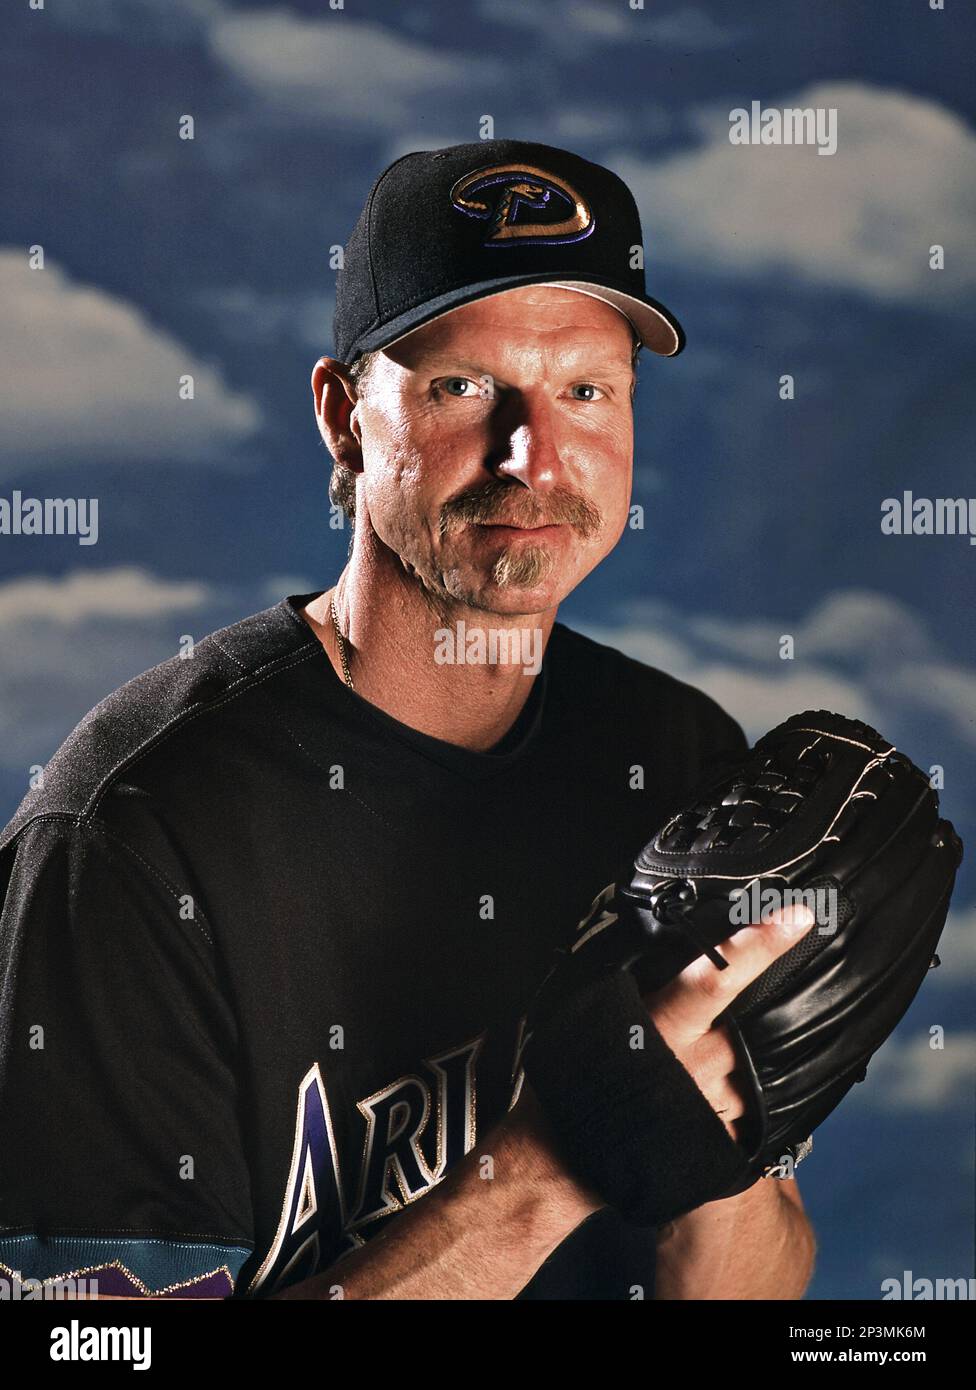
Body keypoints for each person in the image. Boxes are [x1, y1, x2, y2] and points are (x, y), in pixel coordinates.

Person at [0, 140, 815, 1300]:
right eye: (463, 387)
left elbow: (753, 1278)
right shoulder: (132, 831)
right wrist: (539, 1174)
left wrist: (707, 1147)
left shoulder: (677, 759)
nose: (534, 454)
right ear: (344, 417)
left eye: (586, 390)